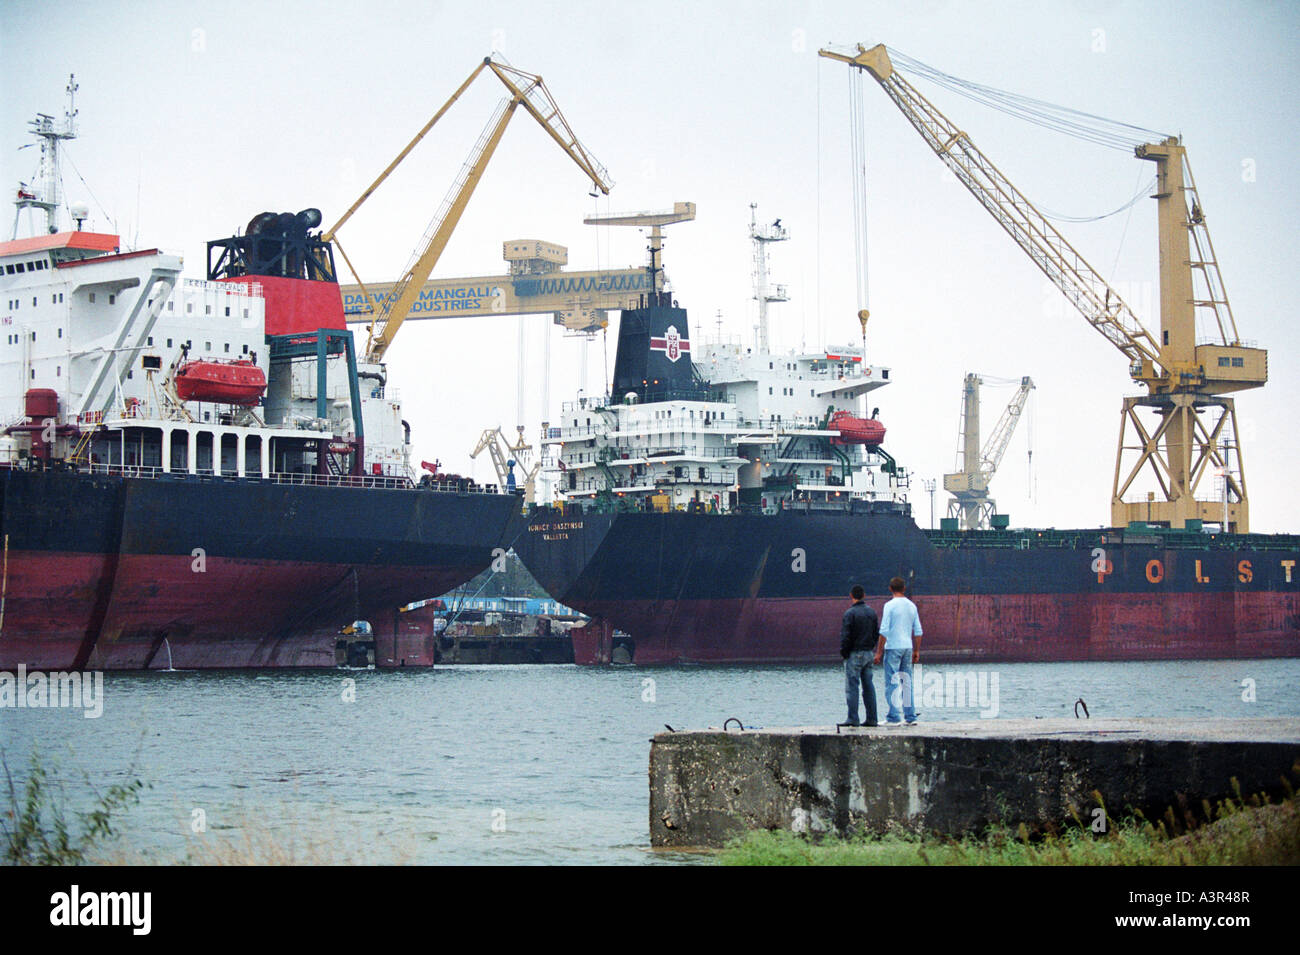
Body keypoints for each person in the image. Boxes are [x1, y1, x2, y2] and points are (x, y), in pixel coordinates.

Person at [875, 576, 923, 725]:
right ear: (904, 588)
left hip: (893, 647)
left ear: (890, 588)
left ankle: (894, 717)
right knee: (907, 682)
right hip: (907, 647)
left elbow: (883, 630)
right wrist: (916, 651)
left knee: (892, 682)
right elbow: (918, 631)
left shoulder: (889, 605)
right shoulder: (912, 606)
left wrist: (879, 651)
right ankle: (910, 717)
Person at [839, 584, 880, 727]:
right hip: (869, 653)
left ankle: (853, 718)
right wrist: (871, 647)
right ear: (864, 595)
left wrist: (844, 653)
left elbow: (846, 637)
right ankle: (872, 719)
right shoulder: (872, 612)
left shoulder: (849, 614)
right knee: (869, 686)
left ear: (851, 596)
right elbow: (876, 633)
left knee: (852, 686)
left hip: (854, 654)